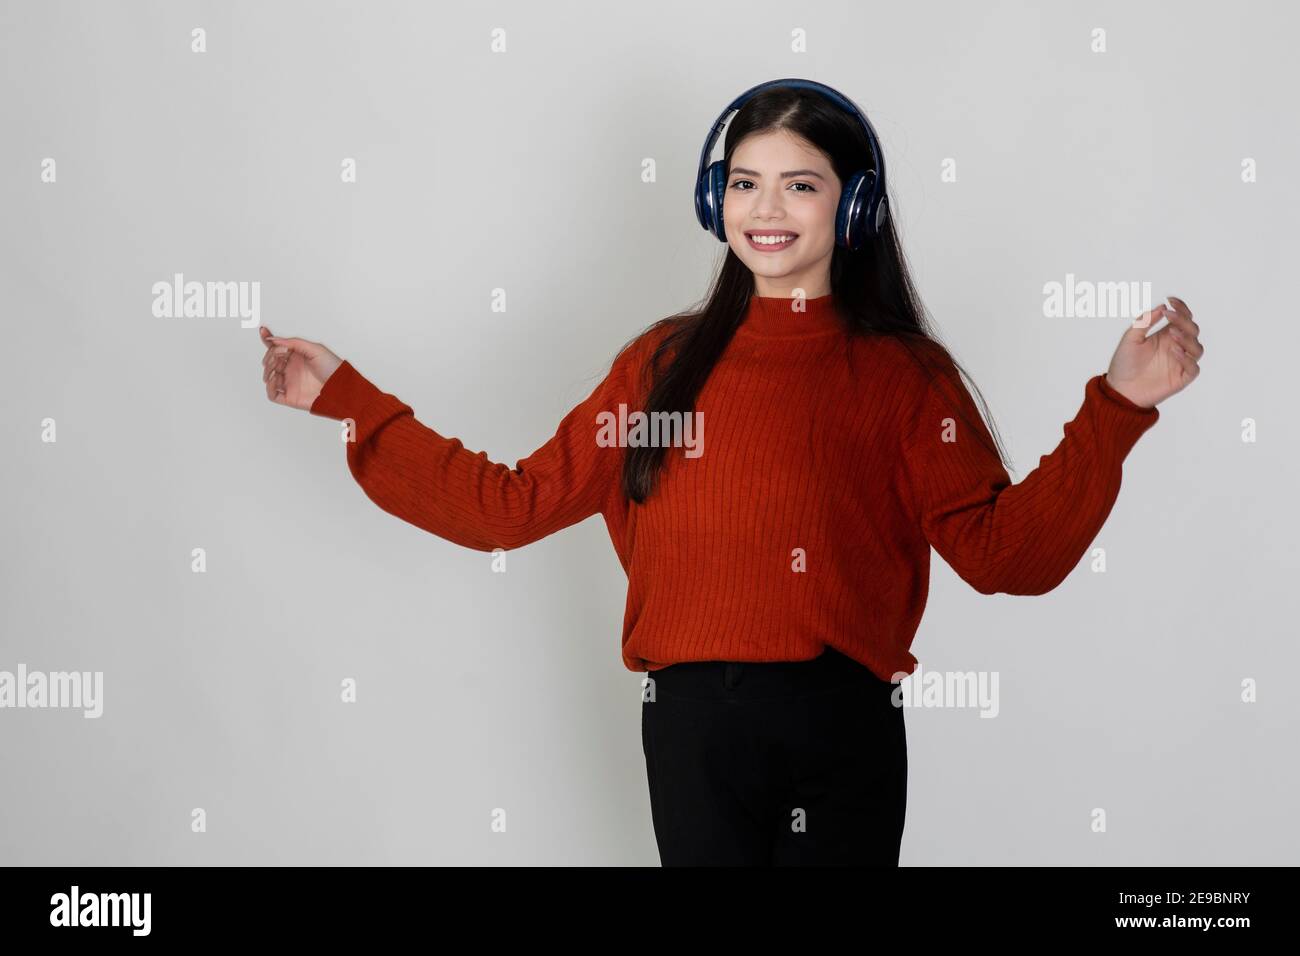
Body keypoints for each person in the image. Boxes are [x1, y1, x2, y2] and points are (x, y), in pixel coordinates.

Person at [258, 80, 1203, 866]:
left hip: (844, 732)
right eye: (745, 183)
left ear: (854, 205)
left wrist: (1120, 405)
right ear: (717, 202)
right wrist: (349, 400)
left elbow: (1007, 556)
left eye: (801, 185)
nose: (767, 209)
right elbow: (512, 506)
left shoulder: (905, 379)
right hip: (695, 733)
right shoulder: (660, 370)